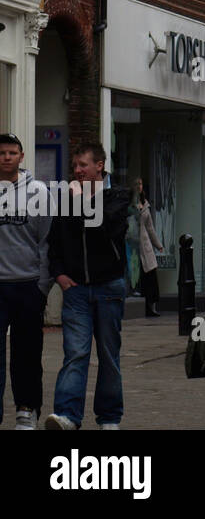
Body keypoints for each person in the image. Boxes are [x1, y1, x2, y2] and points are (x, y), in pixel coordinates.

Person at [45, 143, 131, 431]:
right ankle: (67, 415)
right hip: (77, 290)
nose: (77, 170)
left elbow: (106, 226)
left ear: (100, 165)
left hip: (108, 287)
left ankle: (109, 418)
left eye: (83, 164)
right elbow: (54, 242)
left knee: (108, 355)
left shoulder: (118, 196)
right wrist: (59, 275)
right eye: (75, 165)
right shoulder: (66, 199)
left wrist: (84, 199)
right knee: (76, 353)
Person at [0, 133, 51, 430]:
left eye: (12, 152)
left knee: (27, 354)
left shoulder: (39, 192)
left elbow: (47, 240)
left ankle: (26, 409)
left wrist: (42, 286)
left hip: (28, 285)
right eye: (2, 153)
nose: (6, 157)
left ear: (21, 157)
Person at [131, 180, 165, 317]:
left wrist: (158, 245)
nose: (139, 186)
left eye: (140, 184)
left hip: (145, 245)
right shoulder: (129, 204)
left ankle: (151, 306)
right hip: (133, 245)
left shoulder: (145, 204)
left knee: (150, 276)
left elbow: (150, 227)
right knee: (137, 278)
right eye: (137, 184)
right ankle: (141, 306)